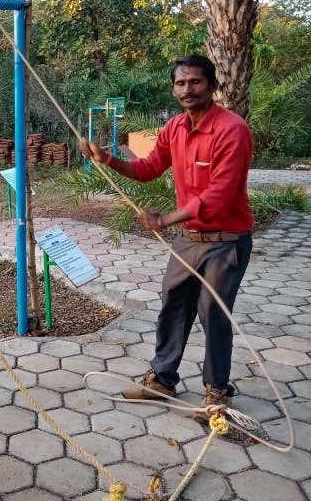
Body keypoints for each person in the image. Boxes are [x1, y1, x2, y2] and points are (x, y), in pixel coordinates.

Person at [79, 55, 254, 414]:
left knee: (213, 314)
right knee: (173, 306)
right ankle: (163, 380)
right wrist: (107, 159)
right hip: (188, 239)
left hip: (226, 241)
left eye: (195, 82)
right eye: (180, 83)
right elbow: (147, 169)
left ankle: (217, 391)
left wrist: (167, 218)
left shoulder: (232, 129)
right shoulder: (175, 128)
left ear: (212, 85)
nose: (187, 89)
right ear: (173, 88)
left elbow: (220, 193)